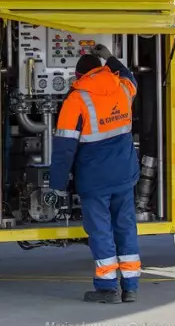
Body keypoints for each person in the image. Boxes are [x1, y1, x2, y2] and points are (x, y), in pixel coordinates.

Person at [49, 44, 140, 304]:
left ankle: (107, 288)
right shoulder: (122, 88)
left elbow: (64, 149)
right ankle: (131, 287)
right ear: (101, 69)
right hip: (124, 174)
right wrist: (110, 57)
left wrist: (57, 185)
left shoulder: (76, 100)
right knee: (125, 227)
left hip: (95, 180)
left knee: (101, 231)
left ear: (78, 77)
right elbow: (129, 76)